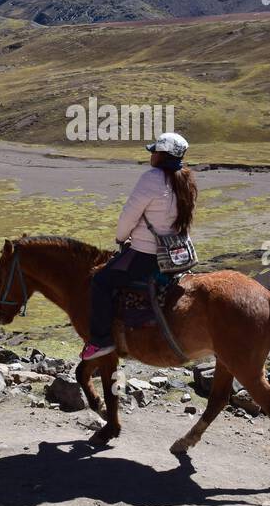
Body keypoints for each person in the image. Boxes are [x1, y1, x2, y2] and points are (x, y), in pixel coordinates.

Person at [81, 132, 197, 361]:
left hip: (147, 255)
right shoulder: (186, 179)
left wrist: (121, 238)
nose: (151, 155)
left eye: (155, 151)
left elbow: (129, 216)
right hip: (177, 255)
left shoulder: (152, 178)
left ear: (161, 155)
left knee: (101, 282)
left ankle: (101, 341)